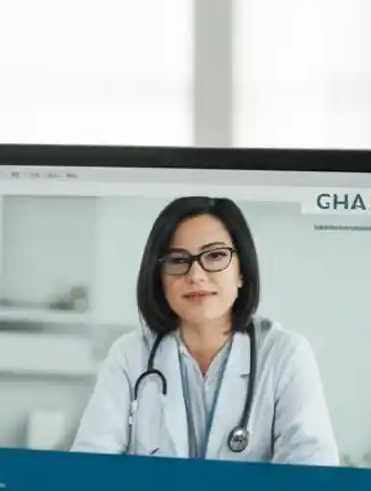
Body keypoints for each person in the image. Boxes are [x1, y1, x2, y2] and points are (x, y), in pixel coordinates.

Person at [70, 196, 339, 465]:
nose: (196, 275)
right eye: (177, 260)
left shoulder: (285, 356)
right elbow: (89, 470)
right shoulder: (130, 356)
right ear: (159, 277)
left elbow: (311, 477)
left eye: (215, 255)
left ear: (242, 271)